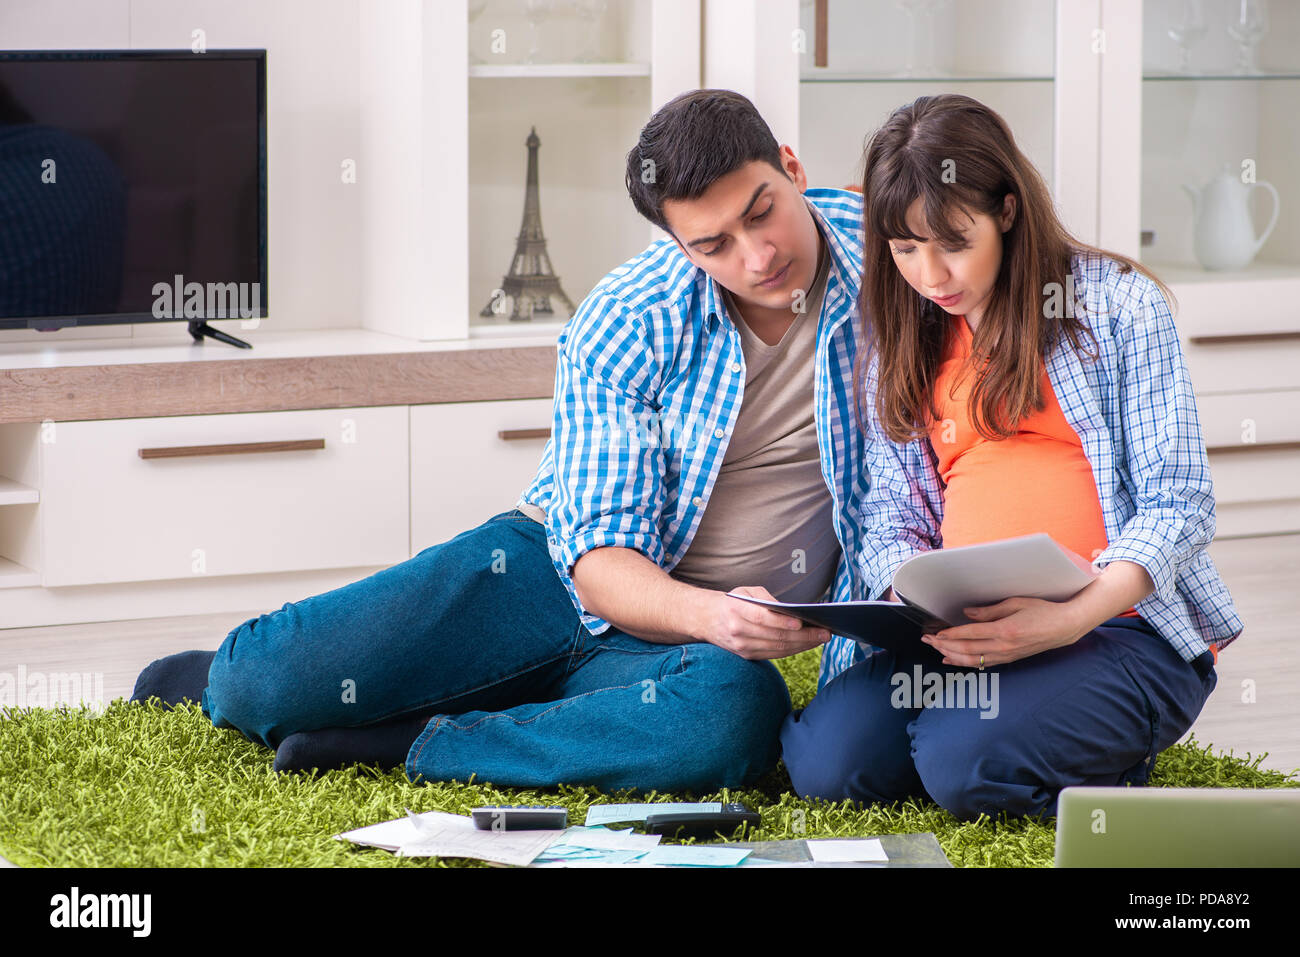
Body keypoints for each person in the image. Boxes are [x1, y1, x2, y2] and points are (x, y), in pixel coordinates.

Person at [130, 89, 873, 792]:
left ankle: (408, 743)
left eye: (761, 212)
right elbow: (597, 565)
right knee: (260, 684)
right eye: (713, 243)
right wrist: (713, 612)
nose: (755, 256)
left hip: (690, 654)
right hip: (546, 576)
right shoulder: (631, 318)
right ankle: (220, 678)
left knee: (734, 713)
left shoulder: (895, 268)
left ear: (792, 167)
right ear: (679, 245)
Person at [779, 93, 1245, 821]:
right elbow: (890, 515)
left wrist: (1071, 617)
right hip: (963, 634)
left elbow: (1179, 504)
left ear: (1006, 209)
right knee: (824, 763)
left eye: (953, 242)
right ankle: (1005, 731)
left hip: (1119, 628)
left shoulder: (1117, 308)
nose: (931, 275)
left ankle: (1098, 741)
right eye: (905, 249)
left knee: (960, 761)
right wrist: (909, 593)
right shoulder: (905, 336)